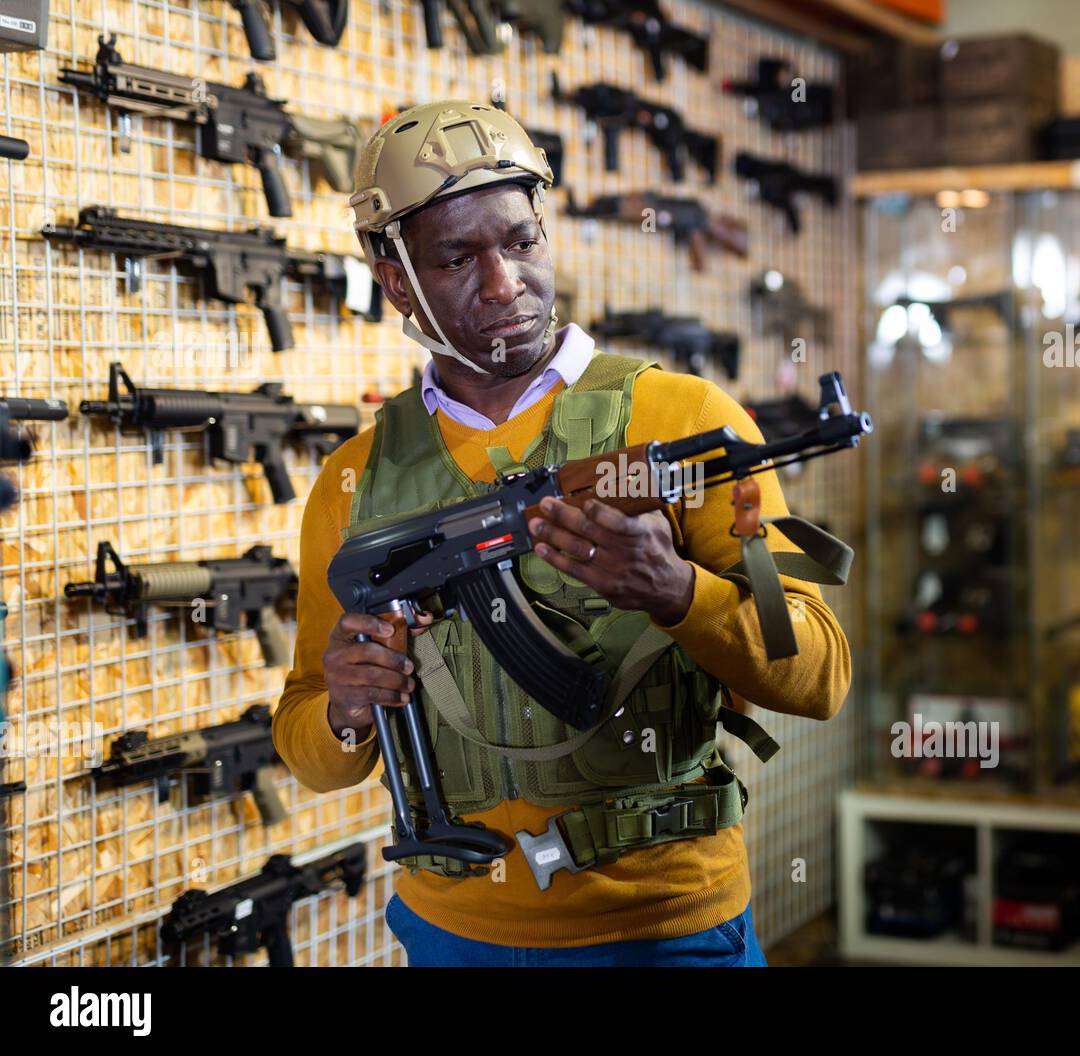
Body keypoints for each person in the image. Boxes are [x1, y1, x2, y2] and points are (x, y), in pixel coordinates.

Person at [273, 100, 852, 967]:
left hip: (663, 929)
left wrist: (679, 594)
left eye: (521, 242)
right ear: (396, 280)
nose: (504, 282)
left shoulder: (691, 418)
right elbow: (309, 742)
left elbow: (821, 669)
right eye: (459, 257)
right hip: (449, 931)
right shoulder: (353, 479)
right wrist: (349, 708)